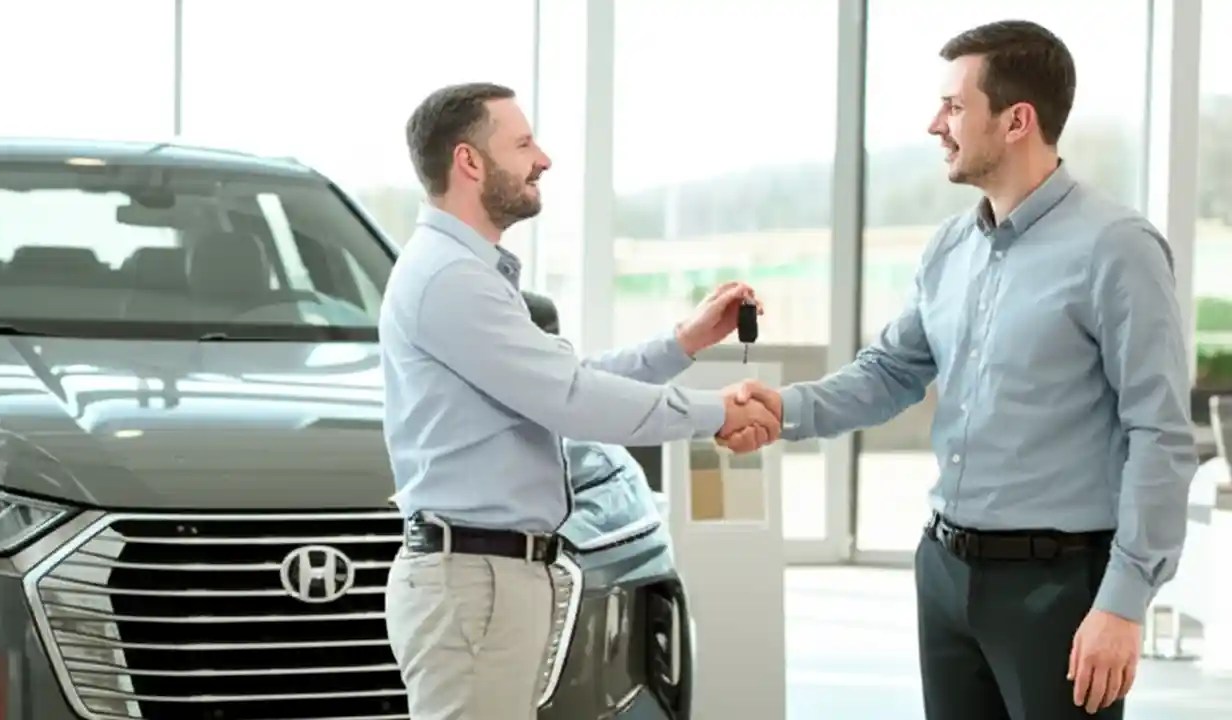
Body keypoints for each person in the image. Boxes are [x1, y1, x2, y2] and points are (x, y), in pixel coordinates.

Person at [724, 19, 1197, 720]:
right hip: (945, 573)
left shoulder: (1116, 248)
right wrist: (785, 408)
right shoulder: (950, 246)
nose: (933, 125)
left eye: (952, 106)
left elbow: (1160, 433)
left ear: (1016, 121)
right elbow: (890, 371)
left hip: (1059, 587)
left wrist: (1123, 604)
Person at [378, 81, 780, 719]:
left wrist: (683, 343)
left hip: (488, 580)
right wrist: (717, 413)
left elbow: (565, 381)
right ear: (469, 162)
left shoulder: (466, 272)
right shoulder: (451, 278)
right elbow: (571, 398)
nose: (543, 158)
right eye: (523, 142)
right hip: (475, 584)